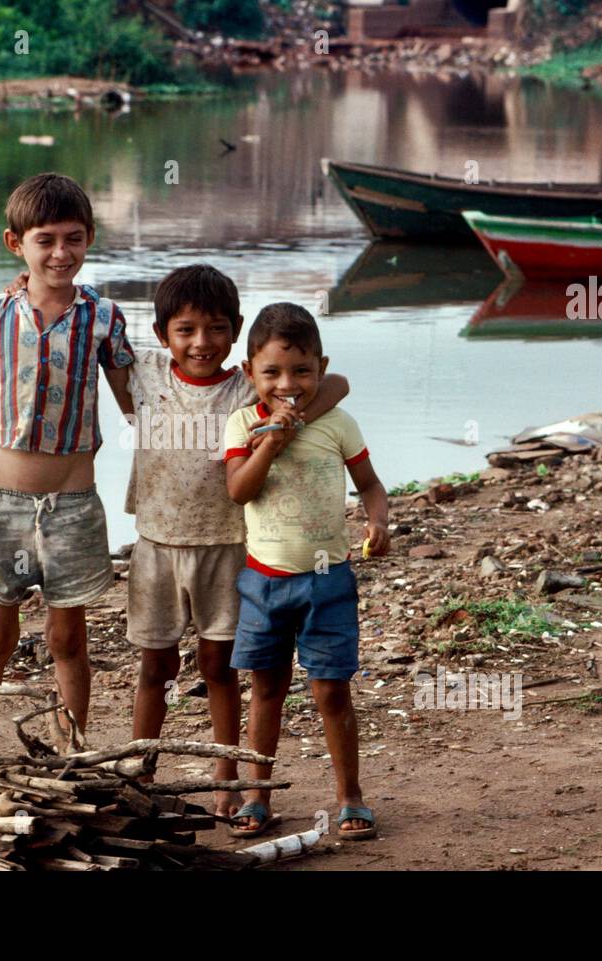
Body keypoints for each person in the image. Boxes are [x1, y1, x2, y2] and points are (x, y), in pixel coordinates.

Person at [0, 172, 134, 822]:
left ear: (90, 239)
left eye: (73, 239)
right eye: (44, 240)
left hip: (75, 507)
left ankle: (74, 763)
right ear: (14, 243)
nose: (60, 253)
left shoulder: (103, 317)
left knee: (68, 640)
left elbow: (138, 403)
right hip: (3, 506)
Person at [121, 266, 348, 819]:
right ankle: (138, 773)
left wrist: (285, 422)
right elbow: (93, 331)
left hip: (227, 545)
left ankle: (225, 776)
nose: (202, 342)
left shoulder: (249, 385)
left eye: (217, 328)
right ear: (161, 336)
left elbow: (337, 383)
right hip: (155, 544)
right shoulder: (145, 373)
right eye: (186, 330)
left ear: (236, 332)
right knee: (155, 667)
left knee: (217, 667)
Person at [222, 302, 390, 840]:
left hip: (328, 581)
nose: (287, 383)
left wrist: (378, 521)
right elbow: (238, 490)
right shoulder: (243, 423)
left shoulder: (338, 423)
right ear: (250, 373)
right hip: (264, 580)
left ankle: (350, 797)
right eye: (271, 372)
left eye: (301, 371)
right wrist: (270, 441)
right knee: (265, 689)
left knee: (331, 691)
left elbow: (370, 484)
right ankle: (256, 796)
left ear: (321, 366)